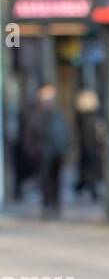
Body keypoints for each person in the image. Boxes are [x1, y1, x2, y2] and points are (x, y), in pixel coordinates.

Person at [24, 84, 70, 217]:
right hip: (42, 154)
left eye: (51, 100)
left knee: (56, 180)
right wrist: (34, 151)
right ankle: (47, 205)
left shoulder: (58, 115)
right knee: (45, 181)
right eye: (46, 100)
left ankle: (55, 205)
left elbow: (65, 133)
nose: (49, 103)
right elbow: (30, 137)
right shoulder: (36, 117)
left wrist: (65, 149)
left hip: (57, 153)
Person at [74, 89, 105, 201]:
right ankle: (90, 191)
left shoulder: (81, 117)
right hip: (91, 149)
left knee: (86, 173)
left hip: (86, 150)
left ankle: (82, 189)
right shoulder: (88, 118)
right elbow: (89, 136)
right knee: (90, 173)